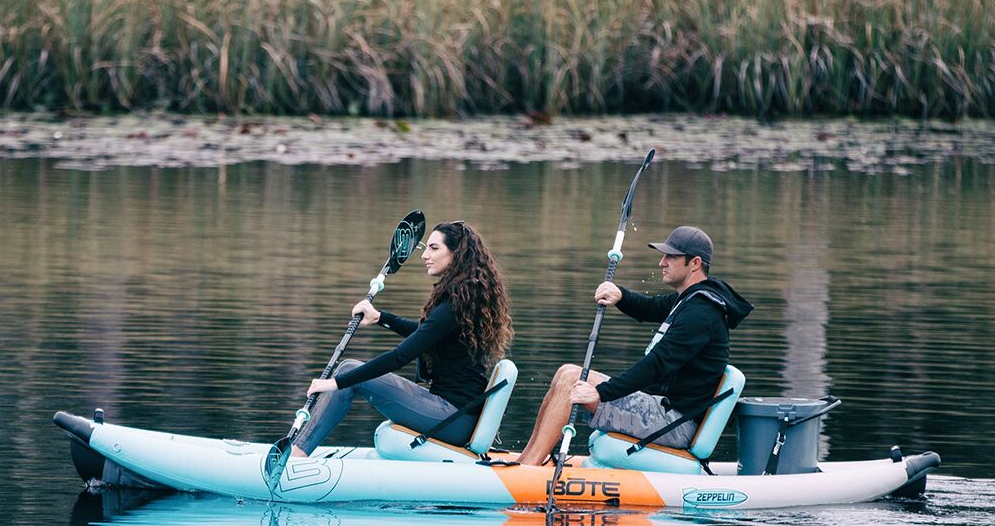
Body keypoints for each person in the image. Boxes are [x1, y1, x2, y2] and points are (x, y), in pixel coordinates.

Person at [519, 225, 752, 465]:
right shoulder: (690, 299)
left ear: (695, 263)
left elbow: (656, 365)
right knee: (566, 372)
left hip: (674, 422)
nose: (662, 262)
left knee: (571, 379)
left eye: (671, 257)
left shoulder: (701, 313)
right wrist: (620, 295)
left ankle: (528, 468)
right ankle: (526, 460)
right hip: (662, 408)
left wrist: (601, 392)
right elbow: (652, 307)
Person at [291, 220, 514, 457]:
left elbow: (400, 356)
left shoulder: (454, 305)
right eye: (426, 248)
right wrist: (380, 317)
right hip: (455, 415)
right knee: (348, 371)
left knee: (348, 373)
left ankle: (296, 456)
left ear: (457, 253)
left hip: (453, 419)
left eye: (434, 248)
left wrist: (335, 383)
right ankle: (298, 449)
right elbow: (425, 333)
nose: (425, 255)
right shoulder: (463, 299)